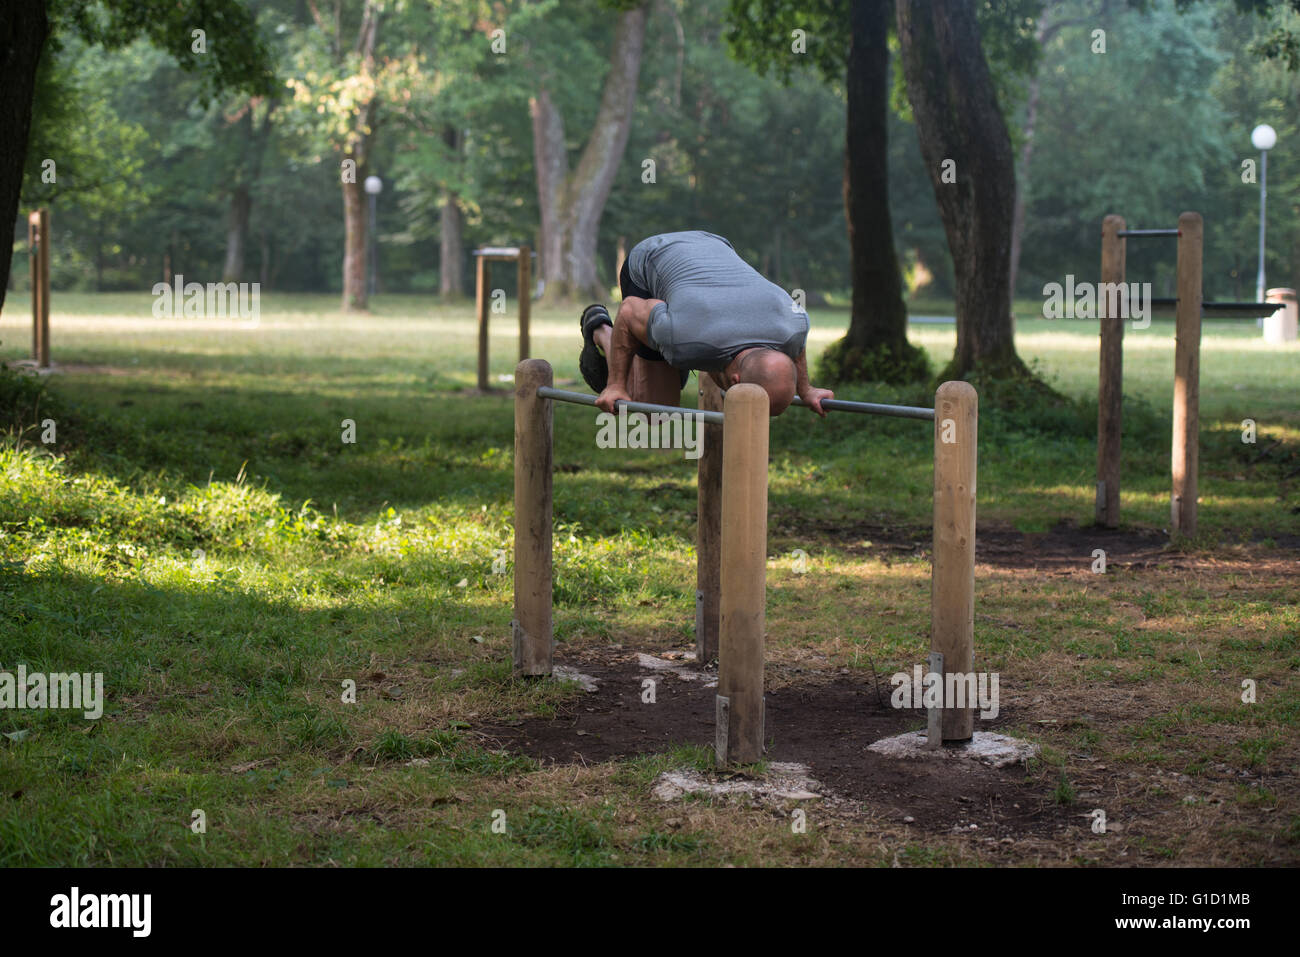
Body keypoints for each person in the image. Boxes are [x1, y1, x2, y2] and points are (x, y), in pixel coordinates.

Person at [577, 230, 834, 416]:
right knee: (655, 411)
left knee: (685, 355)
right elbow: (630, 308)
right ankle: (600, 329)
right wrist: (615, 385)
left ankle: (664, 356)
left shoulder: (794, 325)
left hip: (715, 243)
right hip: (651, 258)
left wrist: (806, 389)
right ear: (734, 380)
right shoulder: (684, 338)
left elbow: (796, 346)